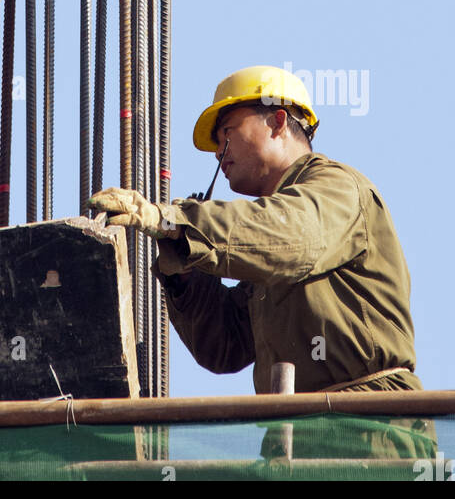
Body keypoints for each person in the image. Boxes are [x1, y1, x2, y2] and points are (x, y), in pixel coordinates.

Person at [90, 65, 424, 398]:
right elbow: (224, 346)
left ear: (278, 122)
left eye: (228, 132)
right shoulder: (268, 250)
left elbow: (290, 236)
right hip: (297, 431)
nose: (220, 151)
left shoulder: (338, 188)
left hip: (370, 423)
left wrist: (178, 221)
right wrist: (185, 272)